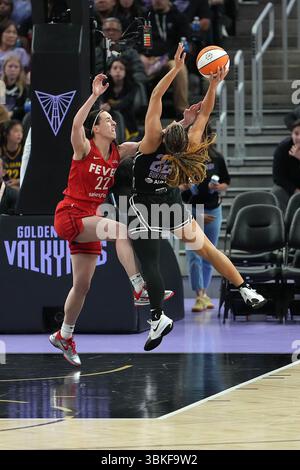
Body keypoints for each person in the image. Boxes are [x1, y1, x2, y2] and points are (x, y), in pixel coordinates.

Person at [128, 43, 267, 351]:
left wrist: (176, 70)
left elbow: (155, 98)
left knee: (149, 262)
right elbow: (205, 112)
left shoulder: (151, 142)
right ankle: (246, 288)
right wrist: (214, 85)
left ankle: (157, 317)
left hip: (145, 205)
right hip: (170, 202)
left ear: (165, 132)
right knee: (206, 249)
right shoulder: (188, 147)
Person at [49, 74, 156, 366]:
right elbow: (74, 125)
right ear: (95, 128)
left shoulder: (118, 152)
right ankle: (138, 287)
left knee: (82, 286)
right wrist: (94, 96)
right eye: (107, 120)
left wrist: (182, 125)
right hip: (70, 213)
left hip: (90, 220)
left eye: (112, 120)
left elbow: (150, 142)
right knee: (121, 229)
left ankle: (64, 334)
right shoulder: (84, 148)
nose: (113, 123)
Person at [181, 124, 230, 312]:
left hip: (213, 210)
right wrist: (183, 186)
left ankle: (205, 293)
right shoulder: (185, 158)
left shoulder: (217, 158)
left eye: (199, 132)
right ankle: (199, 294)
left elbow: (226, 181)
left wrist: (220, 187)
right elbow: (177, 186)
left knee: (210, 254)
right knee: (194, 254)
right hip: (193, 209)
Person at [272, 118, 300, 212]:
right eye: (296, 134)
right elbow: (278, 177)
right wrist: (295, 190)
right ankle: (284, 223)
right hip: (289, 187)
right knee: (277, 191)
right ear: (291, 134)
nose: (299, 138)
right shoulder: (283, 148)